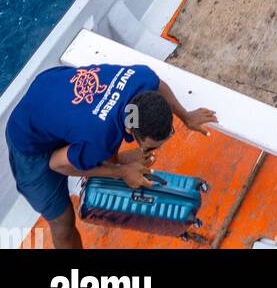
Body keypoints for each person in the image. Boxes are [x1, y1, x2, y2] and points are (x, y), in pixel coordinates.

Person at [5, 62, 218, 249]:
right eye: (150, 147)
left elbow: (158, 84)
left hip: (57, 97)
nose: (154, 150)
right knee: (64, 224)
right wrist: (121, 172)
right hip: (31, 144)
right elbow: (57, 164)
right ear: (130, 129)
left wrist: (185, 116)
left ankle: (95, 157)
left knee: (100, 147)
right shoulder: (99, 136)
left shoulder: (141, 78)